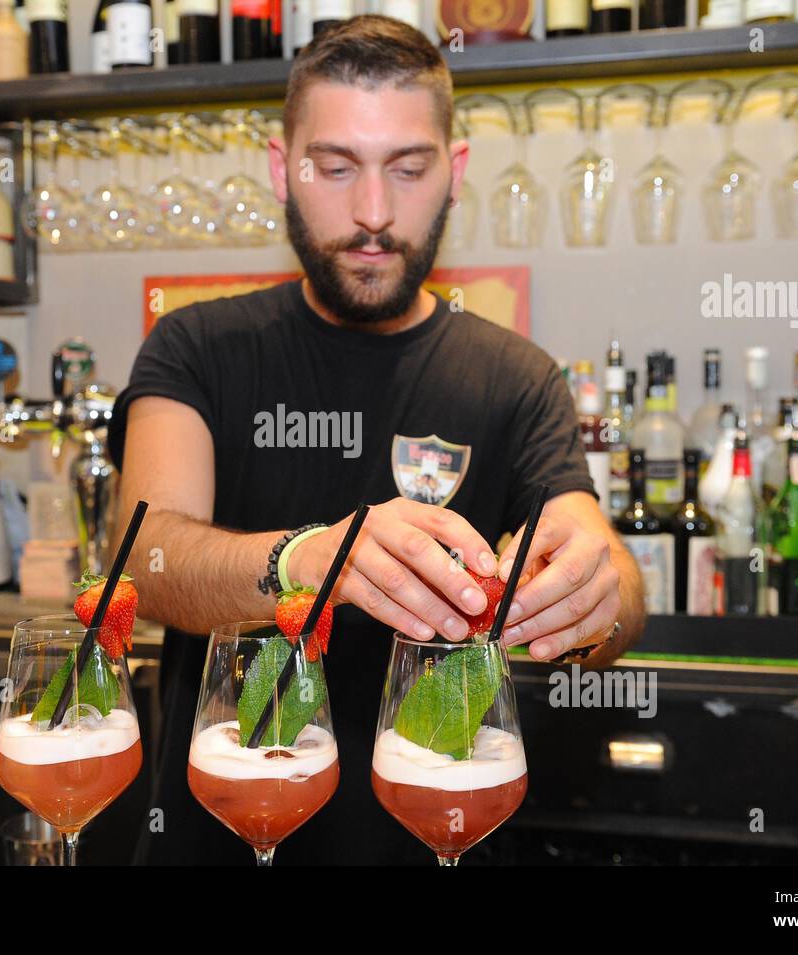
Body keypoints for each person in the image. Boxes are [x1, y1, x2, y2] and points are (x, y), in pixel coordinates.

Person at [106, 15, 646, 865]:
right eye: (336, 167)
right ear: (283, 170)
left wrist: (593, 596)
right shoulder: (196, 347)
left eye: (408, 168)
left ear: (455, 173)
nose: (372, 213)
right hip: (222, 838)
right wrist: (312, 560)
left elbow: (609, 575)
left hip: (441, 838)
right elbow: (142, 559)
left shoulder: (516, 377)